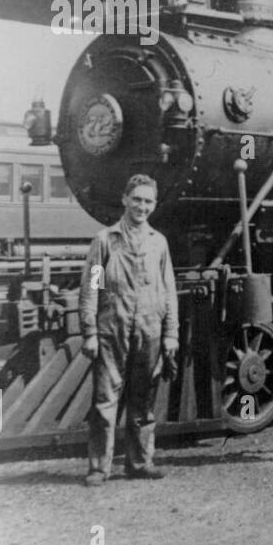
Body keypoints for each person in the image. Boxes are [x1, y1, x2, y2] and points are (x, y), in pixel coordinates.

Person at [78, 174, 179, 485]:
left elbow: (168, 290)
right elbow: (91, 288)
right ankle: (99, 468)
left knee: (143, 401)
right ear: (124, 199)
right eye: (137, 199)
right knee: (105, 402)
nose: (142, 206)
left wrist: (171, 334)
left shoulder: (158, 242)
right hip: (112, 331)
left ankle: (140, 462)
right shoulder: (105, 240)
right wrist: (90, 332)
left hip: (149, 330)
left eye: (148, 201)